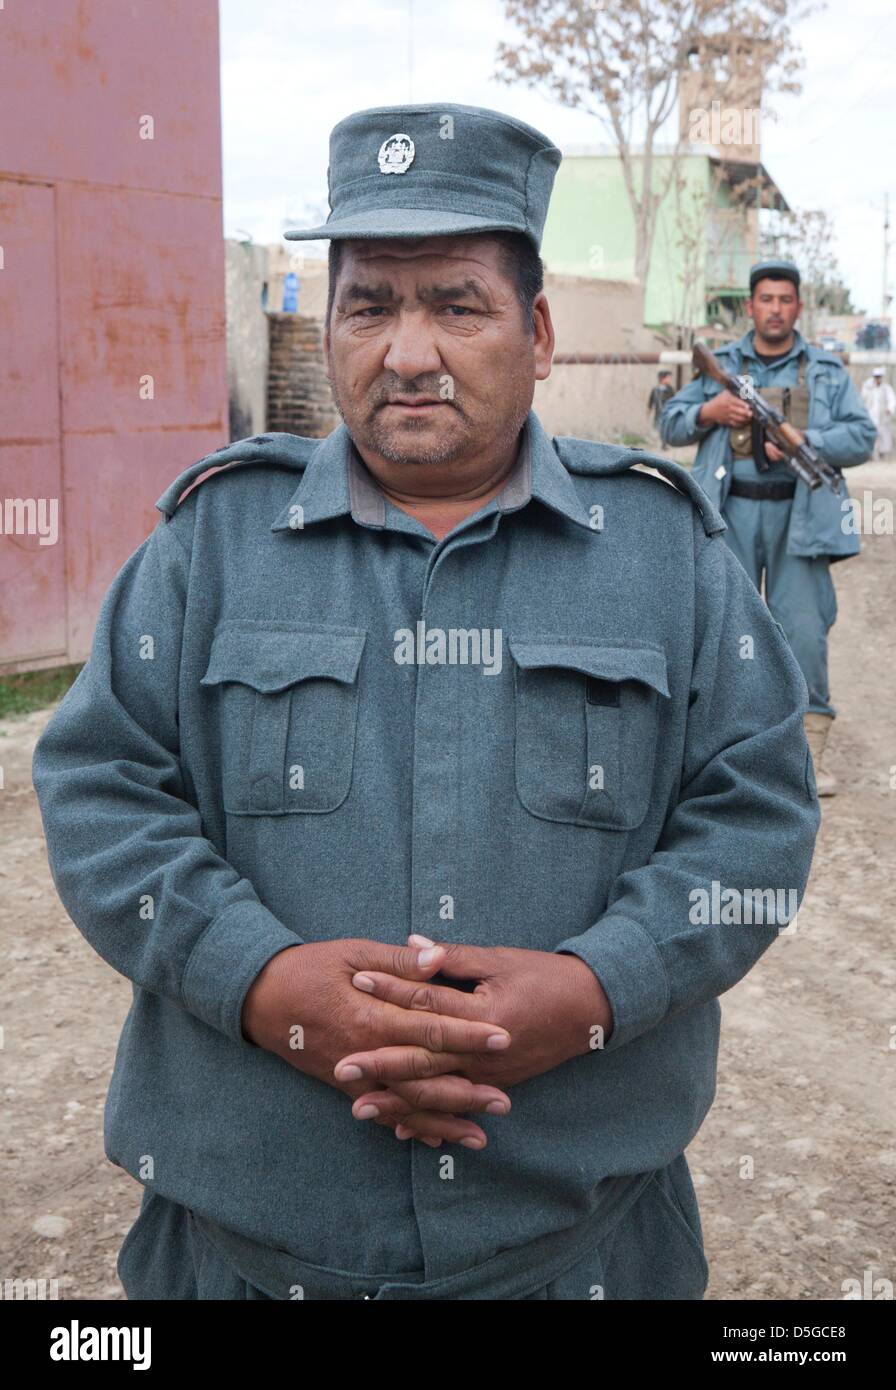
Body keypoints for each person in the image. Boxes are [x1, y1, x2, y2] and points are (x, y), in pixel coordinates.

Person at [32, 104, 819, 1302]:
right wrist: (259, 982)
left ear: (537, 331)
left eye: (455, 303)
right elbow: (99, 790)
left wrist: (599, 992)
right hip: (243, 1254)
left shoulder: (667, 556)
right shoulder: (213, 544)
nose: (406, 351)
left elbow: (754, 822)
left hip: (581, 1253)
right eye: (369, 304)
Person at [661, 259, 876, 797]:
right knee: (724, 630)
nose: (775, 309)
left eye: (785, 300)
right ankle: (721, 753)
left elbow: (863, 437)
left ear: (797, 307)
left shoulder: (825, 370)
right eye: (766, 299)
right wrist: (712, 409)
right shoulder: (726, 365)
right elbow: (669, 424)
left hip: (799, 517)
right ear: (751, 306)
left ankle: (808, 757)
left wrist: (807, 440)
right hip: (729, 512)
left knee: (803, 629)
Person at [861, 367, 894, 459]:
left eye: (879, 377)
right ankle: (871, 454)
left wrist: (889, 409)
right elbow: (863, 399)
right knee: (872, 435)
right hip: (871, 416)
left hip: (883, 416)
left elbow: (892, 400)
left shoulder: (886, 388)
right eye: (876, 377)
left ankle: (883, 454)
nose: (878, 379)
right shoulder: (868, 387)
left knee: (884, 435)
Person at [647, 370, 674, 445]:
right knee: (657, 428)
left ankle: (664, 443)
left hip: (667, 412)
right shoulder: (655, 390)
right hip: (658, 413)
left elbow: (673, 400)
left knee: (665, 428)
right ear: (662, 378)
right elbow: (651, 401)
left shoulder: (670, 389)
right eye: (668, 378)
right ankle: (657, 443)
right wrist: (648, 411)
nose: (669, 380)